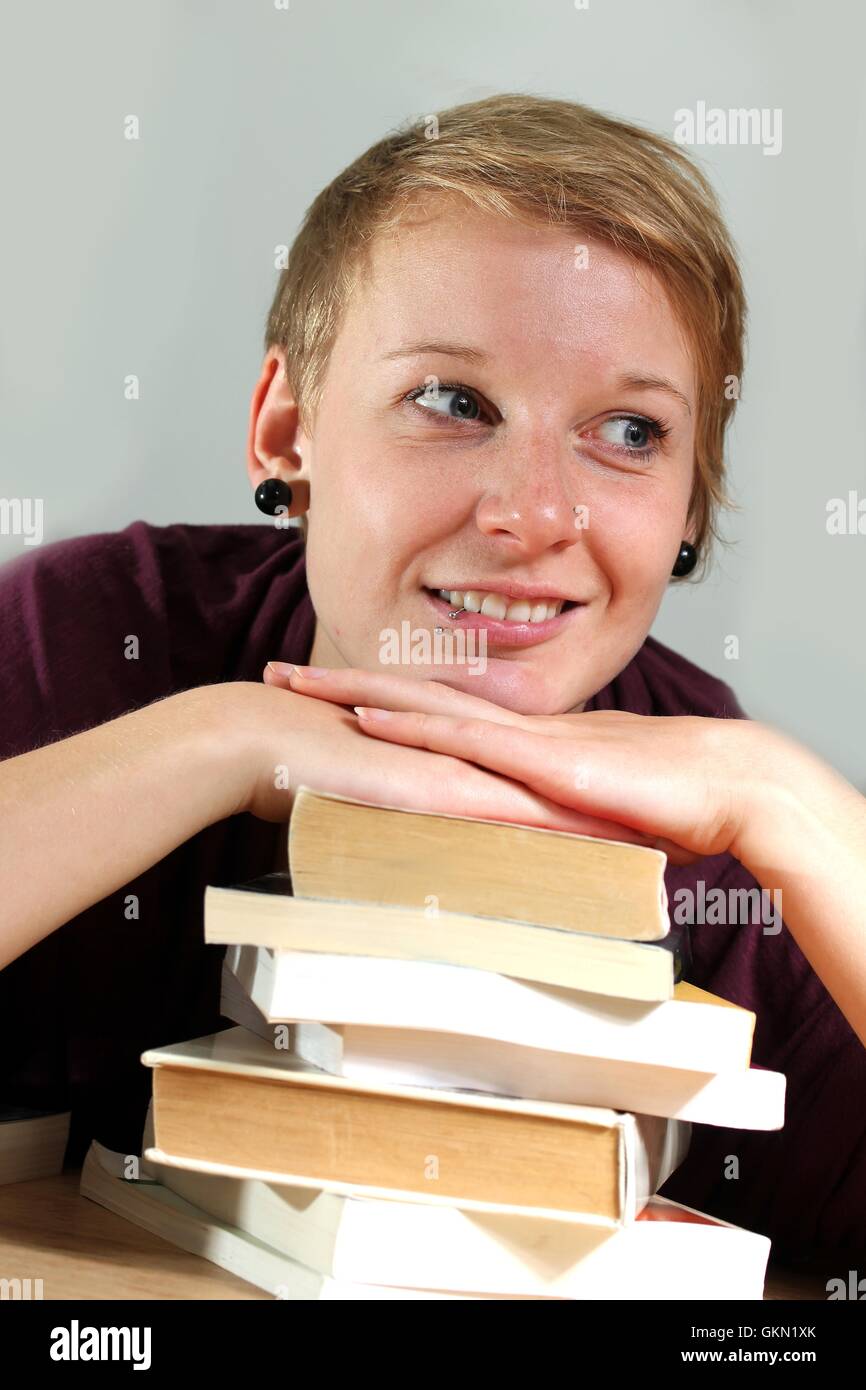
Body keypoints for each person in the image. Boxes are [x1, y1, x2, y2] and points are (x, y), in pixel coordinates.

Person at [1, 93, 863, 1272]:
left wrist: (795, 807)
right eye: (452, 403)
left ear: (688, 506)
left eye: (626, 432)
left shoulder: (718, 827)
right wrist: (217, 743)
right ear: (285, 430)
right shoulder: (97, 634)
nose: (531, 518)